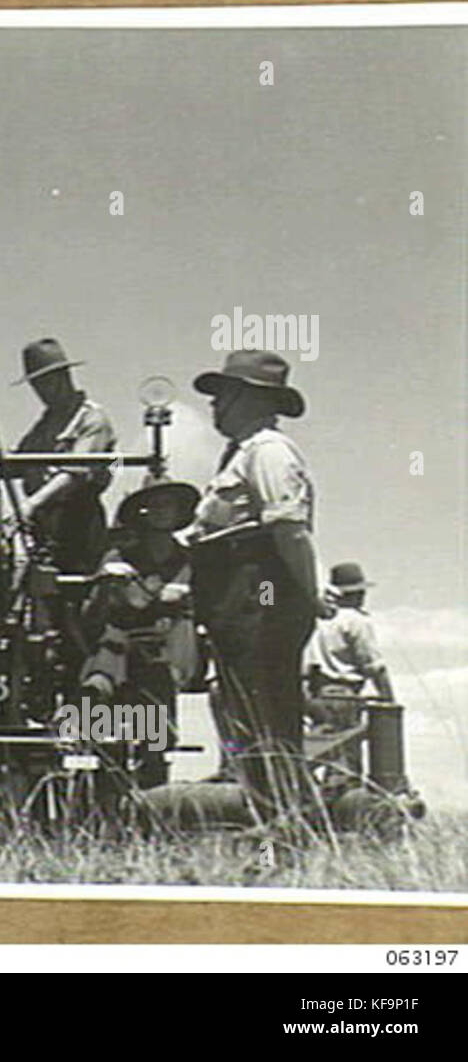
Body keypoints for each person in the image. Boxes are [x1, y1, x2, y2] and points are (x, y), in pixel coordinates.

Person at [183, 350, 329, 826]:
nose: (214, 405)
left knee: (264, 707)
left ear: (249, 397)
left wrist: (310, 592)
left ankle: (284, 822)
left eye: (223, 394)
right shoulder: (243, 453)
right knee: (244, 708)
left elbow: (288, 529)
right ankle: (270, 816)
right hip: (238, 600)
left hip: (261, 596)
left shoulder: (268, 451)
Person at [79, 480, 202, 789]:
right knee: (109, 741)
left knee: (156, 743)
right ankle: (107, 818)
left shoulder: (190, 561)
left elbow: (210, 610)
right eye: (154, 506)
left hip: (164, 658)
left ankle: (150, 815)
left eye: (168, 505)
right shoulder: (117, 558)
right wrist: (107, 587)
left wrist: (186, 598)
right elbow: (90, 618)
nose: (161, 512)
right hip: (119, 654)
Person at [12, 338, 117, 574]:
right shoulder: (44, 426)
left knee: (76, 591)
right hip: (43, 525)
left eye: (46, 382)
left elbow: (75, 472)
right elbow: (16, 463)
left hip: (78, 521)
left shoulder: (92, 419)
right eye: (36, 385)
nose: (41, 391)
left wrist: (30, 504)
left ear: (64, 377)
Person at [303, 562, 394, 783]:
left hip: (312, 695)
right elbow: (373, 665)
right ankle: (344, 809)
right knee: (345, 762)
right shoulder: (356, 621)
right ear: (355, 594)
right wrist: (388, 697)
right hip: (344, 696)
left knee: (318, 750)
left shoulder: (315, 620)